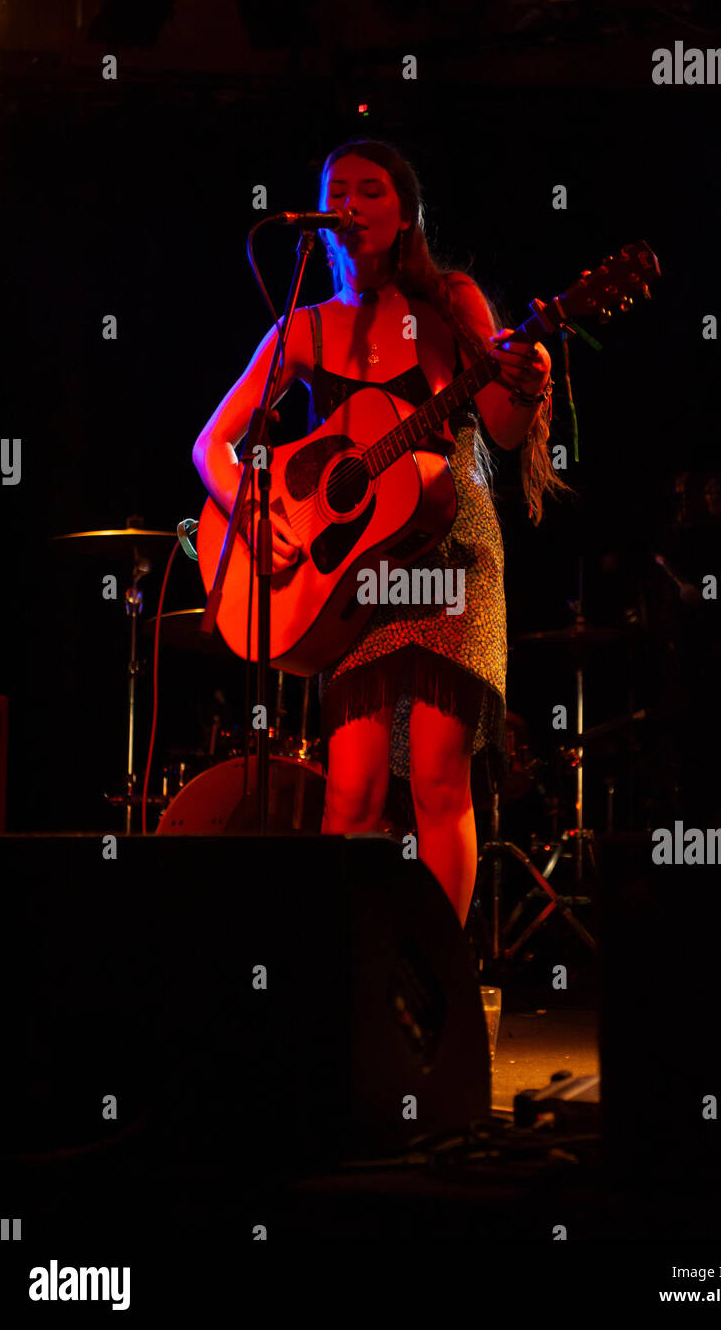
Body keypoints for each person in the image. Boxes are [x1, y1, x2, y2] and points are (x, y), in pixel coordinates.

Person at [193, 139, 569, 926]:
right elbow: (212, 445)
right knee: (352, 792)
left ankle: (441, 973)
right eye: (339, 191)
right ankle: (350, 971)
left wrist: (529, 384)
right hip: (353, 569)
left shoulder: (451, 302)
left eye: (372, 191)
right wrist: (251, 511)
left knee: (436, 778)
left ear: (405, 216)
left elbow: (501, 430)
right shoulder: (303, 329)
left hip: (449, 549)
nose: (352, 204)